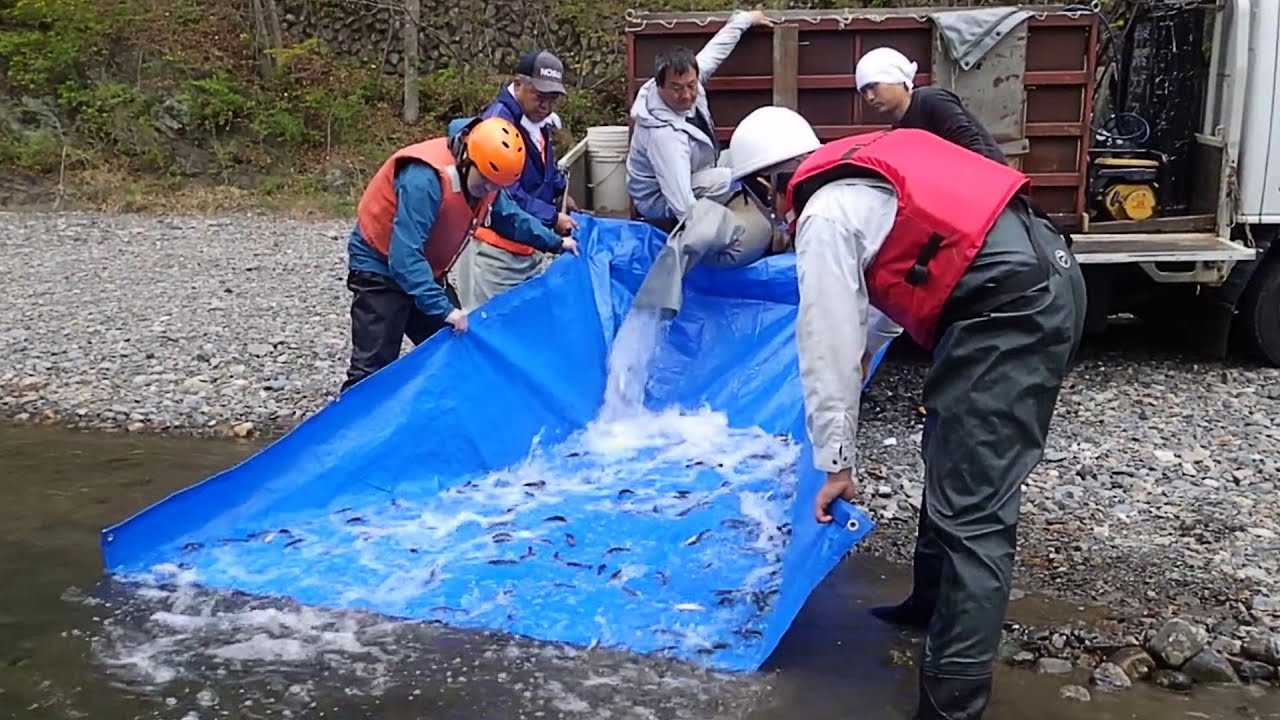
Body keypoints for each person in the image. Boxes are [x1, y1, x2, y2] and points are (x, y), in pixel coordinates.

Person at [726, 106, 1086, 719]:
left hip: (1013, 310)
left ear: (766, 184)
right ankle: (927, 606)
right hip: (1020, 281)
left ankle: (952, 700)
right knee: (948, 447)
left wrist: (835, 462)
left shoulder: (824, 213)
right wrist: (868, 348)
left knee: (975, 511)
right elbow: (910, 268)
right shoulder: (861, 176)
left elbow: (824, 341)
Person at [341, 116, 579, 393]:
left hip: (426, 268)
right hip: (380, 267)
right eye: (485, 183)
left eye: (496, 186)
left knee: (458, 345)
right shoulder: (424, 180)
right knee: (373, 370)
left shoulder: (487, 180)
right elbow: (404, 258)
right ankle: (344, 430)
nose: (489, 190)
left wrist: (554, 242)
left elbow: (509, 217)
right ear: (467, 159)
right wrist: (444, 310)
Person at [449, 50, 580, 311]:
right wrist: (552, 217)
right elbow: (504, 194)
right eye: (540, 97)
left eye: (553, 99)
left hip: (525, 245)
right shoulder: (498, 125)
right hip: (492, 252)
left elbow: (543, 166)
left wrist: (559, 190)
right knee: (489, 328)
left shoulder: (535, 118)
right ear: (518, 85)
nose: (546, 106)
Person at [625, 9, 776, 231]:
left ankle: (774, 207)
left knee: (747, 155)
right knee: (728, 178)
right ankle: (759, 215)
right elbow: (680, 201)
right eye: (676, 89)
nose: (686, 95)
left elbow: (716, 50)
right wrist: (708, 236)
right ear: (659, 86)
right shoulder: (663, 136)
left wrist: (745, 20)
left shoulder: (688, 77)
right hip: (661, 199)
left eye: (691, 86)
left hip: (695, 169)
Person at [855, 46, 1007, 165]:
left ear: (898, 80)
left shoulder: (931, 100)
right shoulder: (901, 128)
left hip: (992, 186)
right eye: (863, 91)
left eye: (874, 86)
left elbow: (974, 146)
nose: (869, 97)